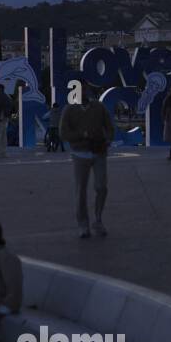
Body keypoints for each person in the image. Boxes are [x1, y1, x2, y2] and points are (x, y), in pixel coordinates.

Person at [59, 85, 115, 238]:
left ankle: (98, 219)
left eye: (84, 89)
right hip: (80, 154)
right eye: (79, 90)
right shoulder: (69, 110)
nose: (82, 92)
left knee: (101, 187)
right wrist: (81, 135)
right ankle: (83, 224)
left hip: (99, 152)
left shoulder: (98, 106)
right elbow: (63, 133)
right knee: (81, 191)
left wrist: (109, 138)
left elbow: (109, 126)